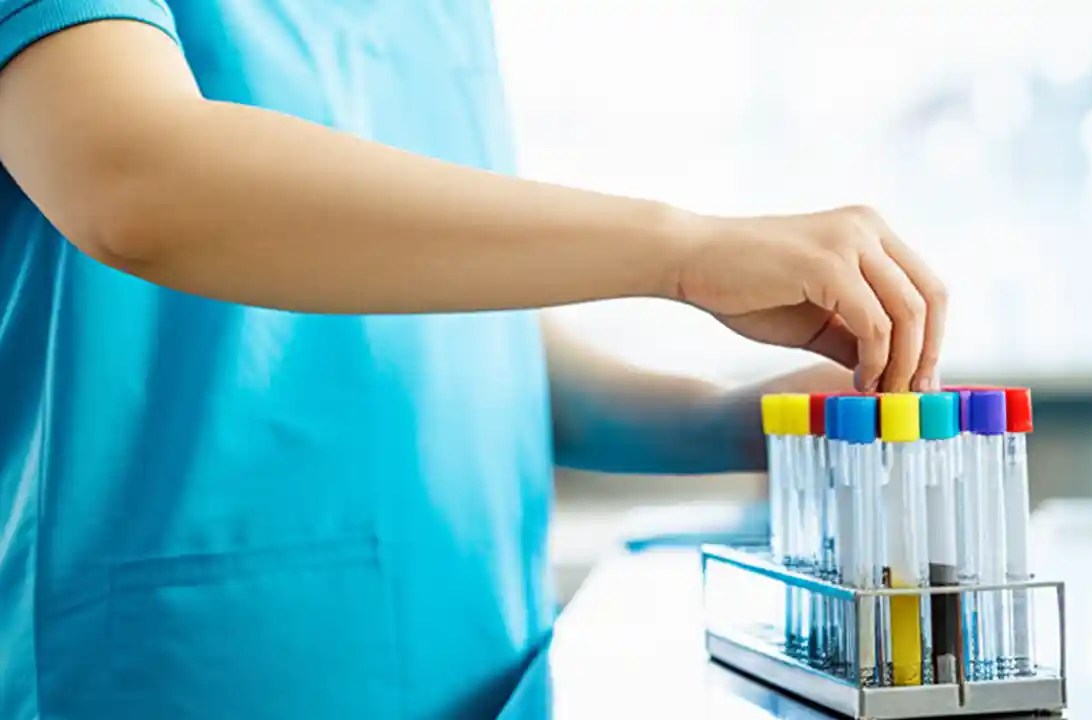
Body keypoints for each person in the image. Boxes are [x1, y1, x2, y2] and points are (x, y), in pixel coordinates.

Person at [0, 2, 946, 718]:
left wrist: (721, 417)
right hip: (191, 670)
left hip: (484, 661)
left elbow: (457, 329)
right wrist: (682, 250)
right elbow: (133, 178)